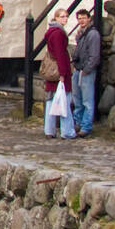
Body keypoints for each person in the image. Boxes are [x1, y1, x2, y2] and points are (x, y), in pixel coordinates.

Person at [42, 8, 76, 139]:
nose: (65, 19)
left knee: (52, 100)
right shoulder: (58, 33)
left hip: (53, 70)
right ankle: (67, 131)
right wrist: (63, 73)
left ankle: (49, 130)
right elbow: (60, 54)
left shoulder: (53, 32)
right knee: (64, 101)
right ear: (56, 18)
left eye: (66, 16)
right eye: (62, 16)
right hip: (59, 71)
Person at [72, 9, 101, 137]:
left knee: (87, 101)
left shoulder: (93, 34)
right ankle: (78, 123)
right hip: (78, 69)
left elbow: (94, 56)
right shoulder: (81, 33)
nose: (81, 21)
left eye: (84, 18)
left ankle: (86, 126)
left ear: (89, 18)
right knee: (77, 100)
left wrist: (87, 69)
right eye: (79, 18)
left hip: (86, 71)